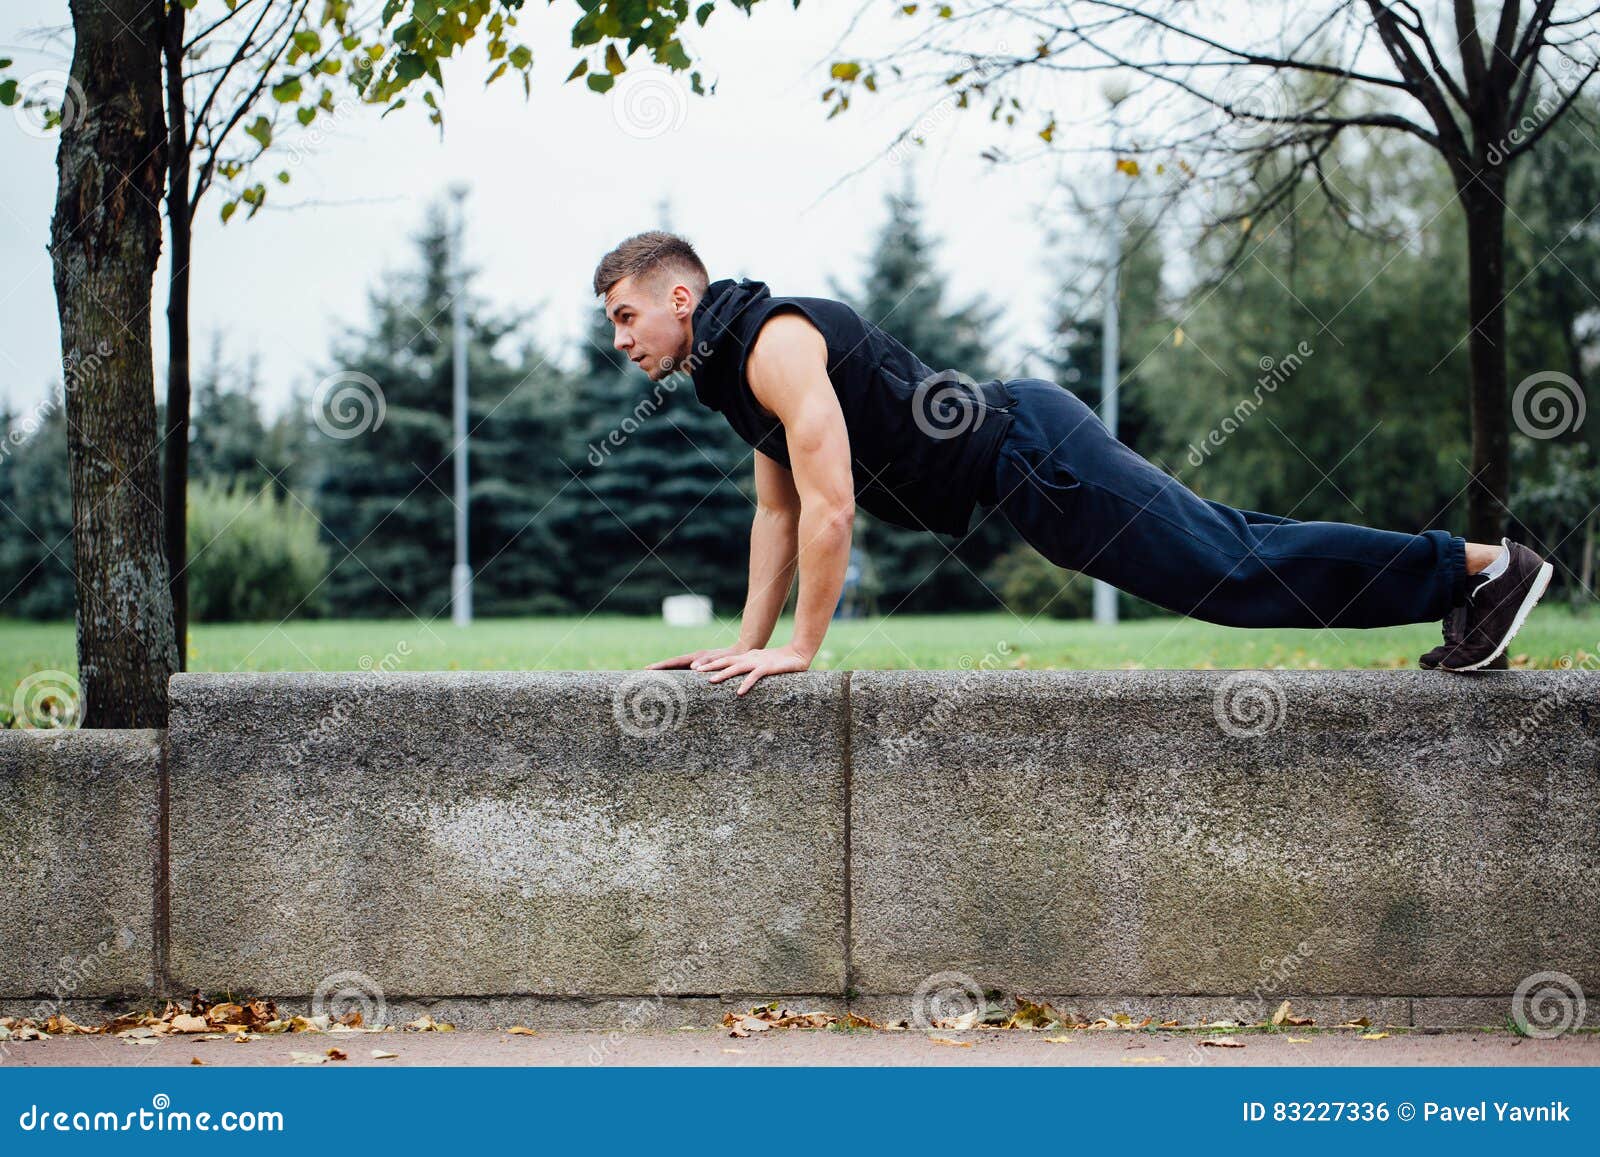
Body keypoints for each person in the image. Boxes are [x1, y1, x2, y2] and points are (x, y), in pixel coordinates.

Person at [593, 231, 1554, 696]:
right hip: (1027, 471)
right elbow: (779, 513)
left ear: (681, 297)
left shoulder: (774, 343)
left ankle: (1483, 568)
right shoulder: (734, 372)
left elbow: (831, 506)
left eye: (628, 316)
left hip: (1034, 451)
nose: (622, 340)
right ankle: (1472, 580)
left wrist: (800, 648)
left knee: (1228, 568)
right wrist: (744, 643)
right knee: (1233, 550)